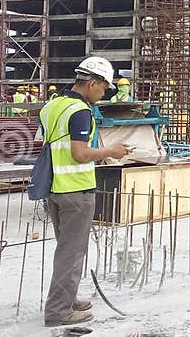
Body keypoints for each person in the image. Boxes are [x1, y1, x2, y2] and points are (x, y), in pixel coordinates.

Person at [41, 56, 129, 327]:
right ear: (92, 83)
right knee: (72, 252)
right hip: (76, 191)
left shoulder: (52, 105)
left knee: (66, 249)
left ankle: (66, 298)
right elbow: (79, 153)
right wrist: (110, 152)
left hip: (54, 188)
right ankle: (58, 311)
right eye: (103, 88)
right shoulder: (80, 111)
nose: (104, 94)